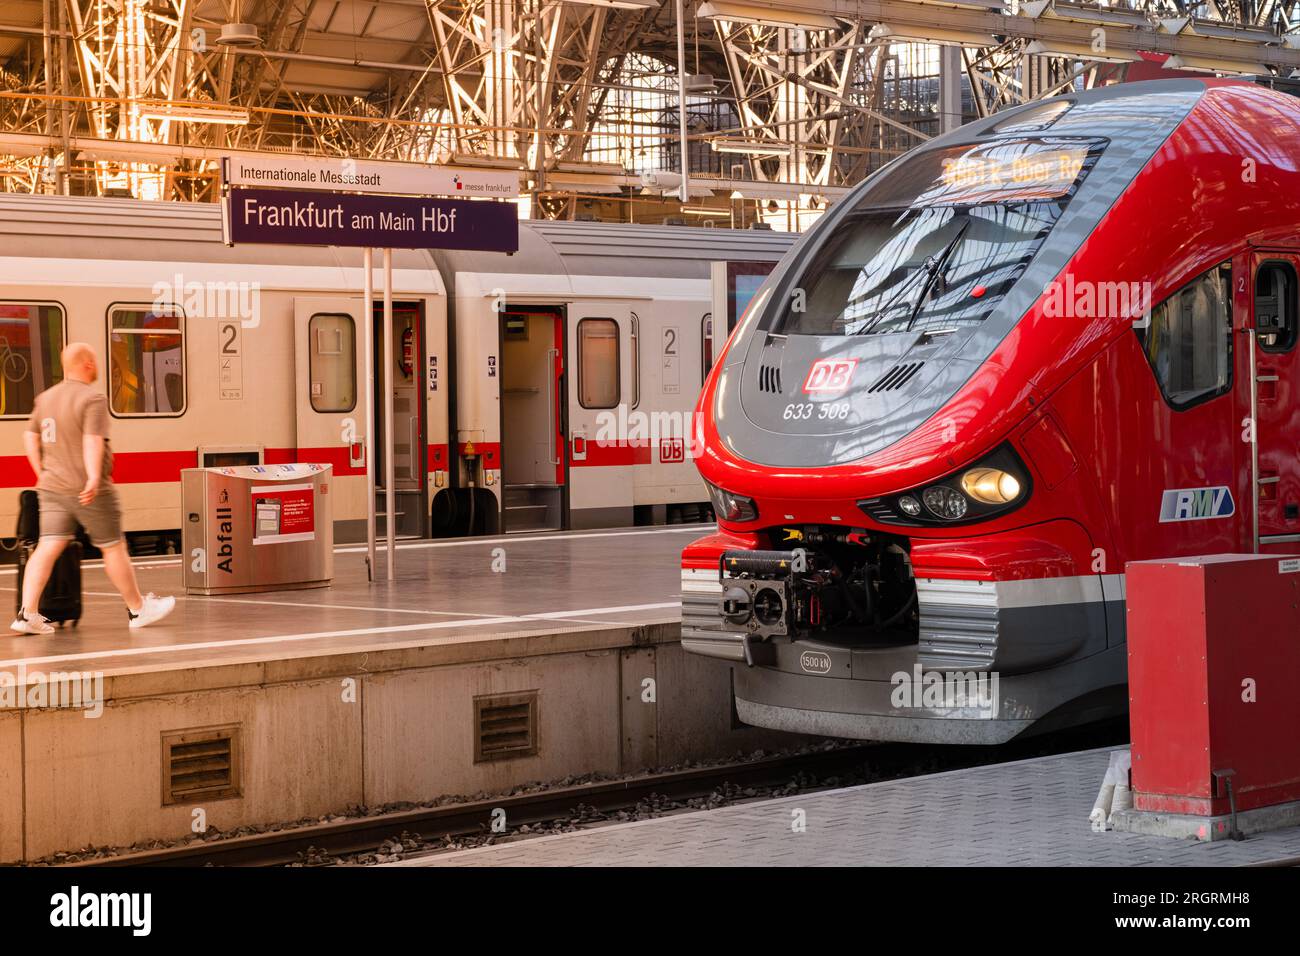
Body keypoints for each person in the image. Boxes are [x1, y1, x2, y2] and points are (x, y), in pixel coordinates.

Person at [11, 342, 175, 634]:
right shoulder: (92, 398)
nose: (98, 365)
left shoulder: (45, 398)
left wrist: (41, 472)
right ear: (87, 364)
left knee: (48, 546)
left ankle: (28, 614)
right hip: (87, 488)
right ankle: (138, 609)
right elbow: (92, 440)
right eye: (96, 360)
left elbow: (29, 437)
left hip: (51, 487)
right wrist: (92, 477)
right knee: (113, 547)